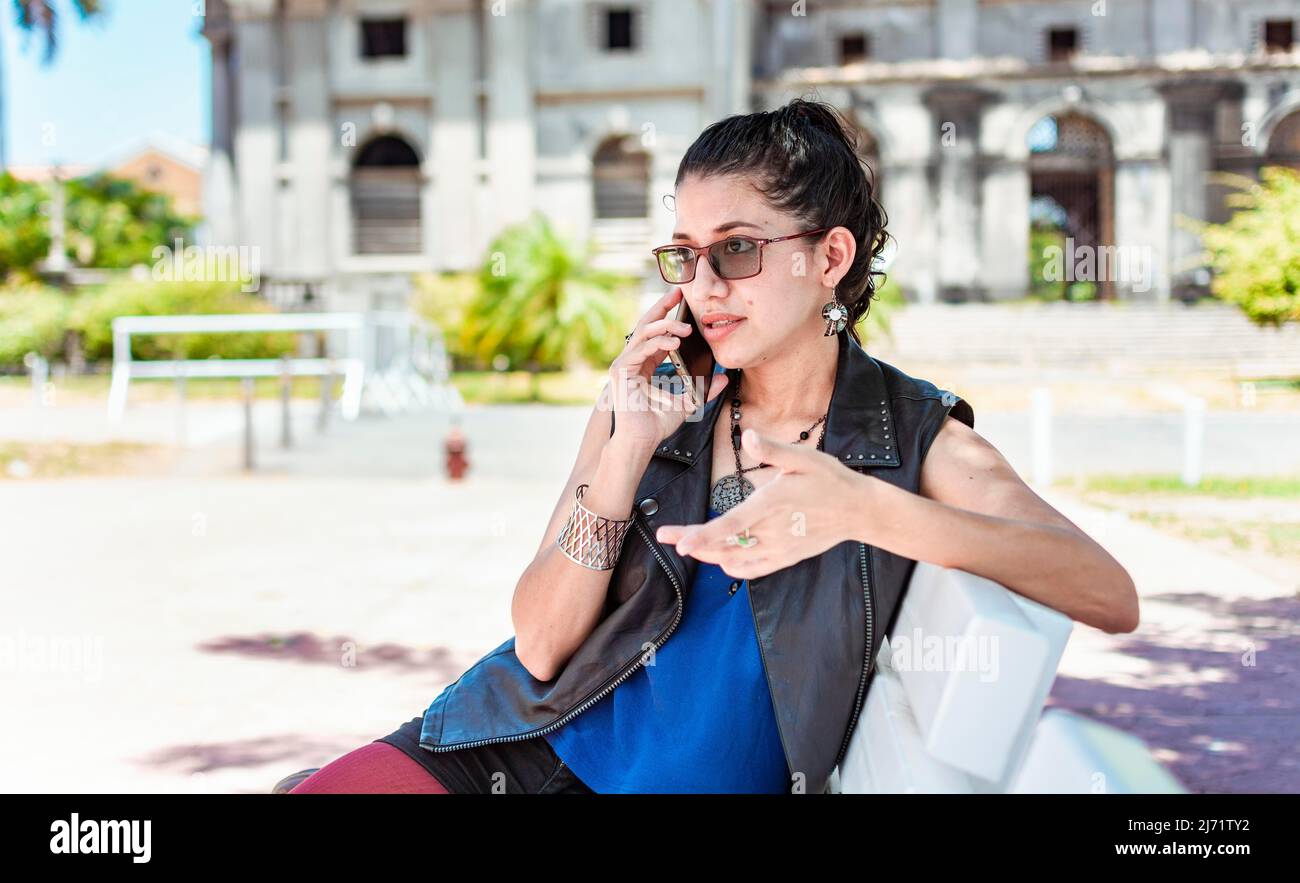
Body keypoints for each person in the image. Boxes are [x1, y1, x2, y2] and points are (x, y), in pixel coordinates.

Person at [289, 97, 1138, 795]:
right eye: (686, 256)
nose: (703, 287)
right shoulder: (656, 392)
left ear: (830, 256)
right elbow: (543, 648)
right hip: (517, 748)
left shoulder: (909, 433)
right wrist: (624, 450)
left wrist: (869, 509)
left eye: (736, 249)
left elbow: (1108, 592)